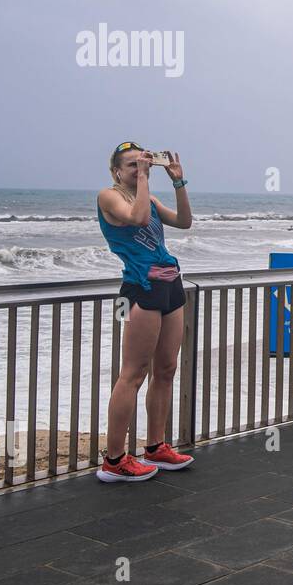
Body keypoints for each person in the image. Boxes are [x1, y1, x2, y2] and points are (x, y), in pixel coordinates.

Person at [95, 142, 195, 482]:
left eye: (142, 163)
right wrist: (143, 178)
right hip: (140, 289)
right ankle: (114, 460)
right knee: (133, 373)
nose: (139, 170)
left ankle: (156, 447)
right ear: (116, 171)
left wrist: (178, 181)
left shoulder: (148, 198)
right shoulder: (109, 196)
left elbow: (184, 221)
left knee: (166, 369)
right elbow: (135, 218)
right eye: (131, 165)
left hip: (170, 284)